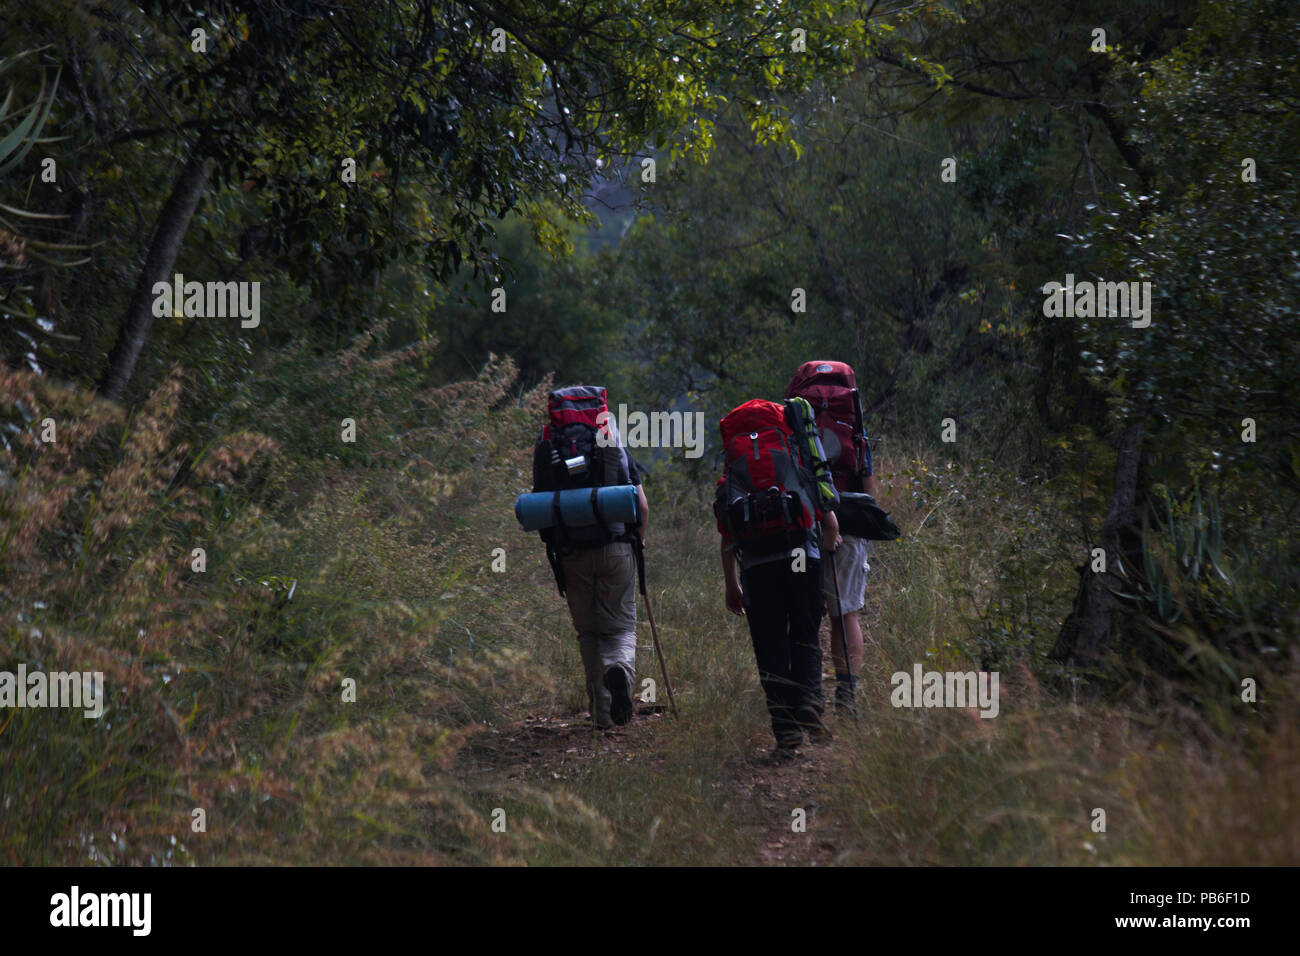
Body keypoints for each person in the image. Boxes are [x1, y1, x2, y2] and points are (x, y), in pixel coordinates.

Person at [715, 397, 839, 758]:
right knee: (804, 633)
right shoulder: (797, 457)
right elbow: (827, 516)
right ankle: (810, 703)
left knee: (770, 647)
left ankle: (786, 734)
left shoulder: (734, 469)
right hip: (803, 557)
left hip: (757, 566)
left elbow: (727, 534)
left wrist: (730, 583)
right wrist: (826, 555)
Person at [532, 385, 649, 731]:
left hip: (570, 553)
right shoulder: (609, 436)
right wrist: (638, 542)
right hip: (617, 547)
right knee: (621, 628)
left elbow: (542, 504)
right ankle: (619, 671)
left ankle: (602, 717)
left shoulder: (547, 442)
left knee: (589, 633)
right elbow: (640, 504)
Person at [785, 361, 879, 713]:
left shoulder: (794, 425)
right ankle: (847, 693)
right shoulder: (854, 428)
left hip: (803, 527)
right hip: (851, 524)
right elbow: (867, 488)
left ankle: (805, 693)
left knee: (803, 615)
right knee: (847, 614)